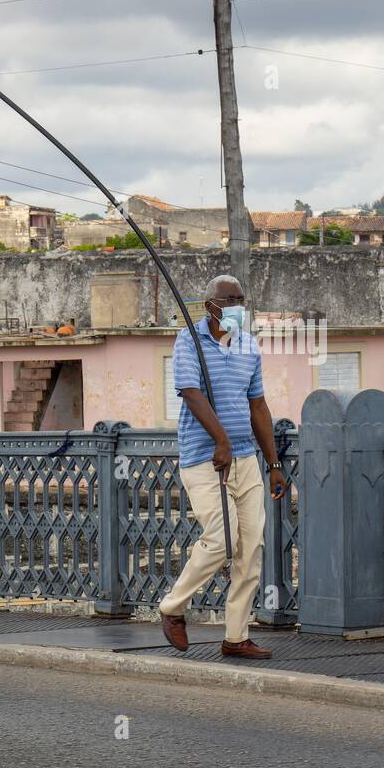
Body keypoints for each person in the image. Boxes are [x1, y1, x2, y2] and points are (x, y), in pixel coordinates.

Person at [159, 275, 289, 659]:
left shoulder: (248, 345)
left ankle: (235, 636)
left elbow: (258, 406)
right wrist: (220, 440)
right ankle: (172, 607)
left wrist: (274, 463)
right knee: (222, 538)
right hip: (204, 457)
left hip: (246, 459)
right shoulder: (189, 341)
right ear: (210, 305)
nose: (235, 305)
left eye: (240, 299)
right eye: (227, 299)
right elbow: (191, 393)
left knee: (251, 548)